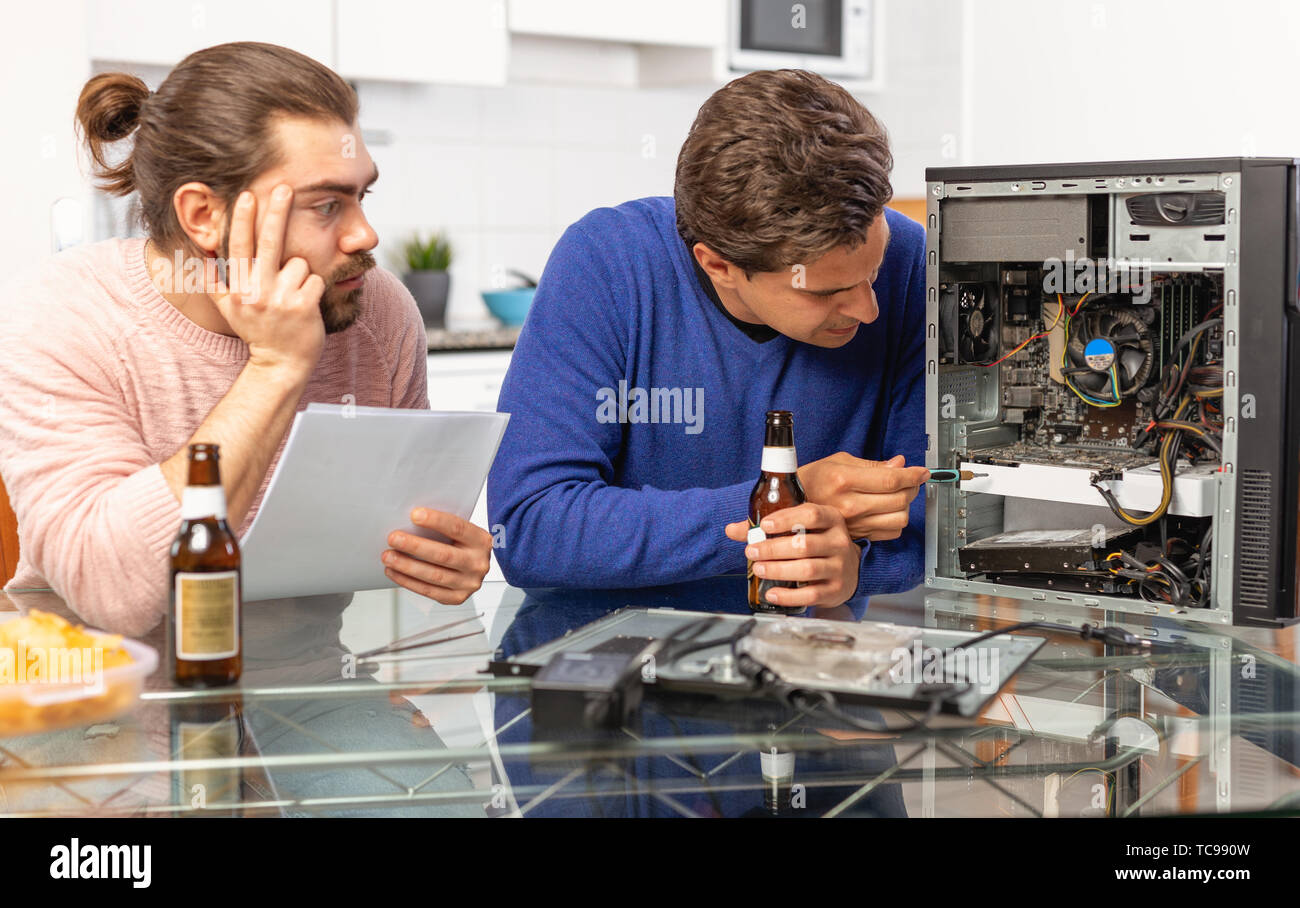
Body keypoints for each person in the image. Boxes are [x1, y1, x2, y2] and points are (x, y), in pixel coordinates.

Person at [0, 42, 492, 636]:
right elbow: (111, 592)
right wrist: (276, 367)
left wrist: (440, 561)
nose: (365, 235)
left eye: (363, 196)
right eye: (327, 204)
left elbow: (395, 541)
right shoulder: (63, 313)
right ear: (203, 215)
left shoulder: (376, 308)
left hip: (308, 689)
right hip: (100, 699)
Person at [488, 69, 929, 613]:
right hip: (601, 658)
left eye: (873, 270)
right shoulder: (607, 263)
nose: (869, 308)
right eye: (827, 291)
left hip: (806, 662)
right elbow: (533, 528)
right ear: (717, 264)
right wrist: (778, 505)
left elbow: (935, 520)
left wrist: (858, 568)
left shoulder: (910, 260)